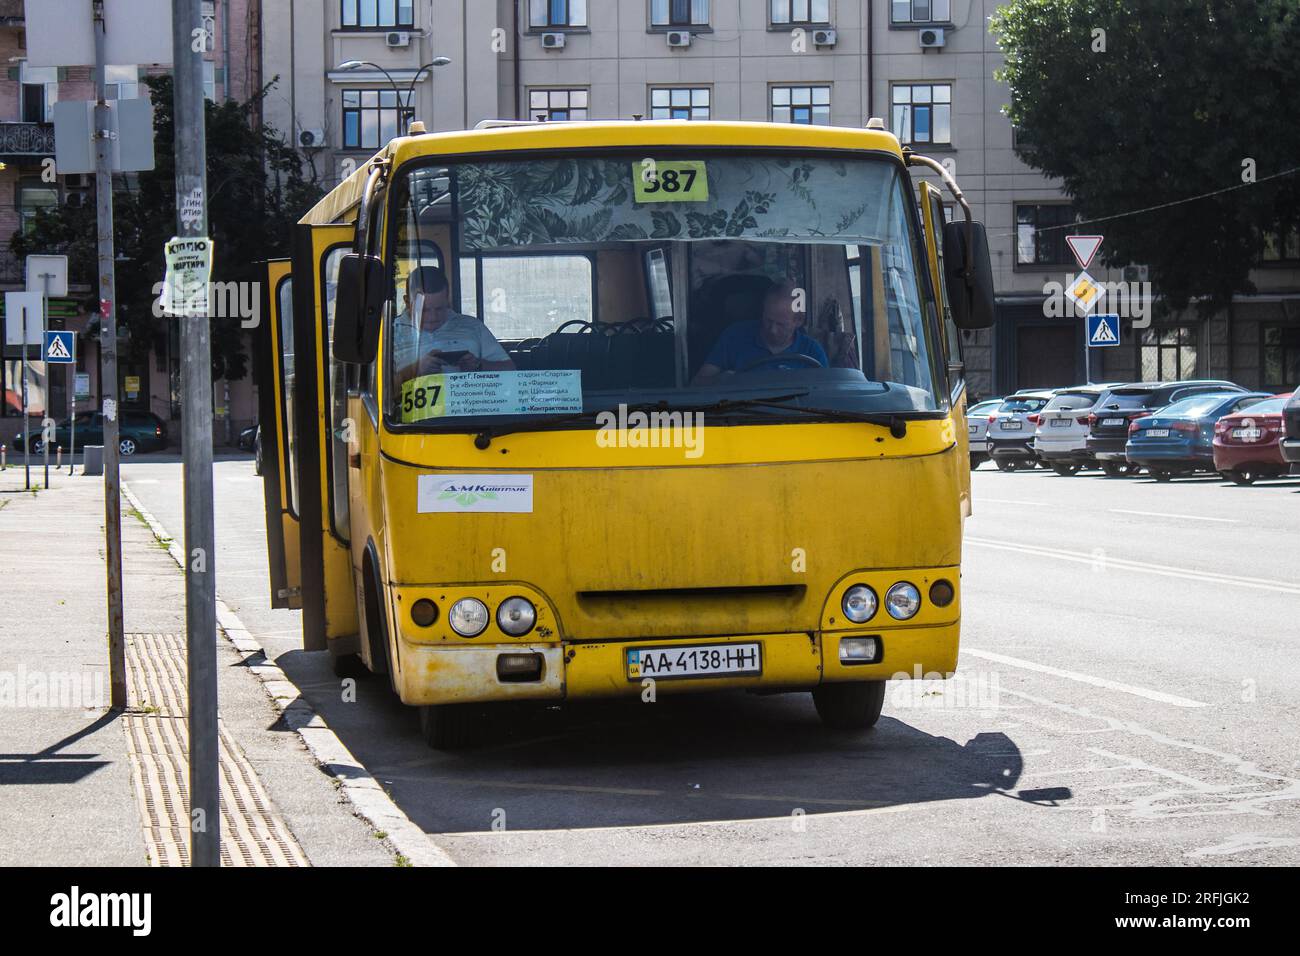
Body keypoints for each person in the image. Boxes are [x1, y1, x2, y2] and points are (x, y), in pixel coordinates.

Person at [692, 279, 828, 384]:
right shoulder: (735, 336)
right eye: (768, 320)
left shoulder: (812, 351)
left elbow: (825, 394)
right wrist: (723, 380)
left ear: (798, 321)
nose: (772, 330)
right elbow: (697, 383)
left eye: (781, 324)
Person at [392, 265, 515, 380]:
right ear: (407, 302)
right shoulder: (390, 334)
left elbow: (510, 371)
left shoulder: (472, 326)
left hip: (469, 400)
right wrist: (415, 371)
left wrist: (478, 366)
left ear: (447, 300)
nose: (433, 316)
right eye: (424, 310)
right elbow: (378, 388)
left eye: (440, 308)